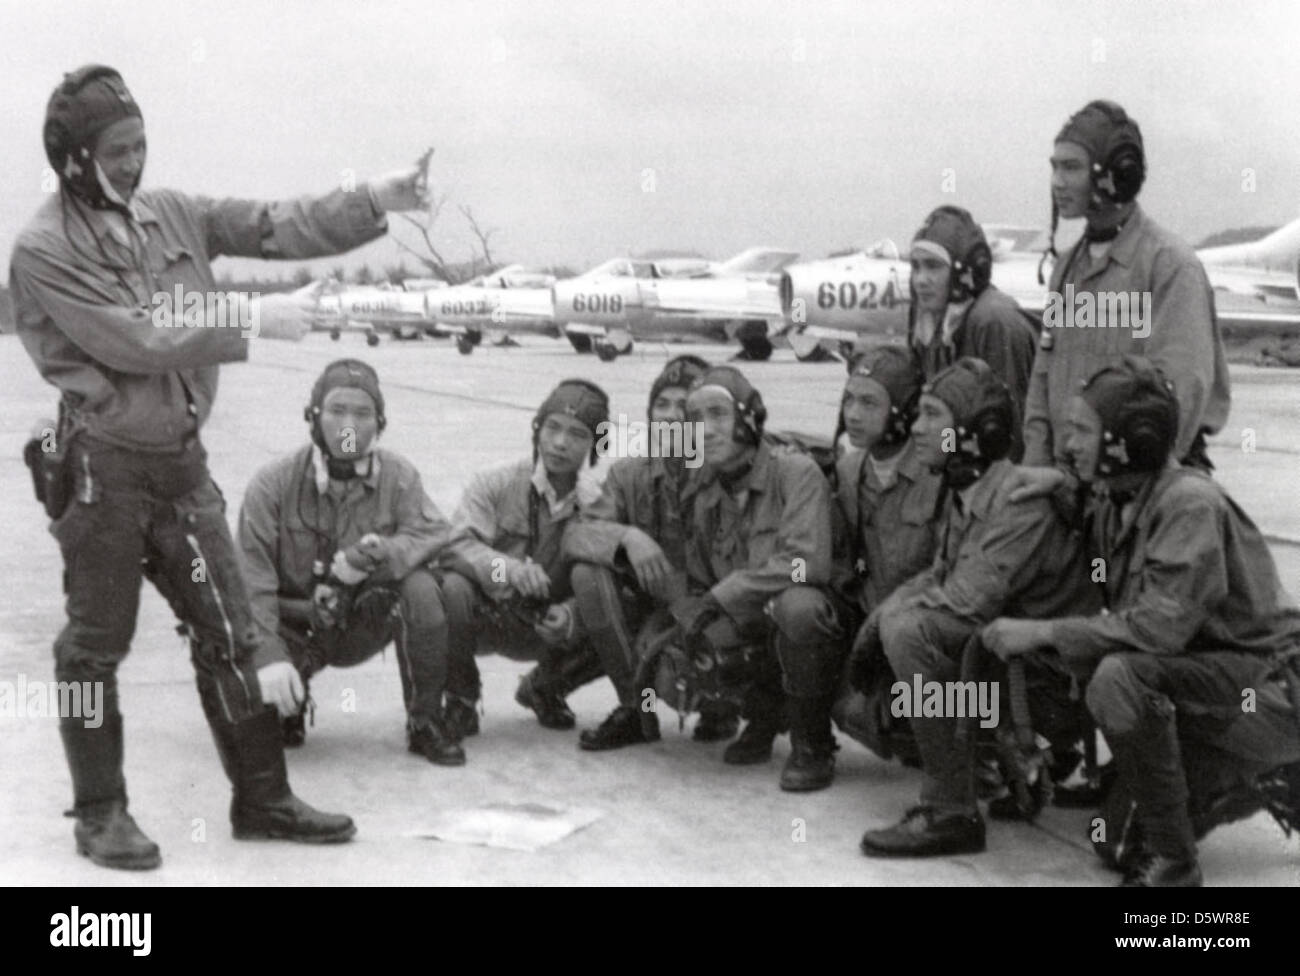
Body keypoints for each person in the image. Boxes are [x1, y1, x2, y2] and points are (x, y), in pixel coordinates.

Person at [11, 64, 430, 869]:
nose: (135, 164)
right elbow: (131, 334)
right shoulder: (43, 250)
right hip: (104, 473)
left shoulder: (168, 214)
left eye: (140, 145)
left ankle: (262, 800)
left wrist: (377, 197)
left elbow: (275, 224)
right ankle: (99, 812)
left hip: (181, 467)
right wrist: (248, 317)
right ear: (72, 157)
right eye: (117, 149)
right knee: (93, 647)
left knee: (233, 631)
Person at [984, 357, 1300, 886]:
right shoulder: (1120, 494)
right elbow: (1079, 493)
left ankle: (1181, 858)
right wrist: (1053, 481)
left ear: (1135, 438)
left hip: (1268, 690)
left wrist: (1040, 632)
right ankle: (1236, 770)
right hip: (1214, 679)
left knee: (1120, 678)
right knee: (1112, 839)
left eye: (1084, 432)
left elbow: (1158, 630)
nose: (1070, 446)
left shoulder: (1189, 504)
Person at [856, 358, 1098, 858]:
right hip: (1009, 665)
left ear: (974, 432)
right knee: (863, 695)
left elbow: (967, 601)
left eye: (932, 416)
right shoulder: (968, 487)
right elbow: (940, 575)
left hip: (1054, 683)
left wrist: (888, 623)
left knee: (909, 633)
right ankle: (996, 769)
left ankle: (952, 811)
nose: (917, 429)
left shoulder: (1018, 501)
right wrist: (875, 620)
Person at [237, 360, 464, 765]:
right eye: (336, 411)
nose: (348, 425)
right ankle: (289, 702)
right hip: (298, 620)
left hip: (363, 617)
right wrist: (269, 656)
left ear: (379, 423)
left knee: (423, 588)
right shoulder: (272, 483)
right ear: (313, 417)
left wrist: (377, 556)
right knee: (252, 711)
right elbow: (252, 583)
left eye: (362, 414)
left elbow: (435, 534)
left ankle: (425, 720)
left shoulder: (399, 476)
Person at [1013, 99, 1231, 503]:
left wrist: (1115, 480)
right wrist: (1042, 468)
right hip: (1070, 491)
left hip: (1141, 494)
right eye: (1054, 167)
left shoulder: (1168, 267)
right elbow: (1044, 376)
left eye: (1071, 167)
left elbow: (1180, 391)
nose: (1057, 182)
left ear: (1118, 174)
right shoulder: (1066, 271)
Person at [667, 365, 849, 790]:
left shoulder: (795, 473)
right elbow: (700, 567)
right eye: (696, 419)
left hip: (820, 617)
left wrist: (722, 596)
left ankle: (813, 743)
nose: (706, 430)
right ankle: (762, 718)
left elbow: (808, 564)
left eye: (718, 415)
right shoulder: (705, 487)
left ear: (748, 419)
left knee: (794, 607)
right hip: (753, 612)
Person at [564, 355, 742, 750]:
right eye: (661, 405)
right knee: (587, 576)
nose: (671, 417)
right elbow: (575, 535)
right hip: (658, 609)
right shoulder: (631, 474)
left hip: (716, 609)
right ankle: (635, 710)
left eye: (684, 407)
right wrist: (629, 536)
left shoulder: (729, 475)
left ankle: (726, 706)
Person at [439, 379, 611, 734]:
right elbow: (455, 546)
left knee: (621, 610)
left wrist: (573, 615)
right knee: (449, 588)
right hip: (492, 613)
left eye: (578, 435)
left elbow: (608, 575)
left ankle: (547, 687)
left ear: (597, 445)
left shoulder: (599, 503)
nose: (560, 443)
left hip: (552, 626)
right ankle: (462, 699)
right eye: (552, 428)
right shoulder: (495, 482)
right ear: (537, 430)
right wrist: (508, 571)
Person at [828, 345, 944, 759]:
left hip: (924, 628)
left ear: (904, 411)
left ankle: (962, 753)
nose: (853, 415)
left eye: (869, 402)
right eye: (848, 400)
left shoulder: (940, 475)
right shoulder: (848, 472)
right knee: (849, 710)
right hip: (871, 629)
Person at [907, 205, 1038, 446]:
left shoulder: (993, 321)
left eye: (933, 266)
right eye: (915, 267)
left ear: (968, 268)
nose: (920, 280)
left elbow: (1011, 432)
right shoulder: (932, 319)